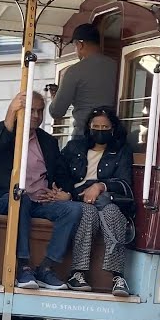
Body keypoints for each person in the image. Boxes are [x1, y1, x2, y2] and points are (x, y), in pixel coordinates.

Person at [0, 91, 82, 290]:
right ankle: (23, 266)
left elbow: (60, 175)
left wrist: (65, 194)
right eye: (32, 110)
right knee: (22, 200)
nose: (37, 116)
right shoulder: (0, 131)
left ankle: (46, 268)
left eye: (40, 111)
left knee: (73, 209)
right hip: (8, 199)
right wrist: (11, 110)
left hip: (41, 201)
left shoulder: (48, 141)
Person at [62, 107, 135, 296]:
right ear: (88, 127)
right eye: (96, 126)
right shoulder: (74, 147)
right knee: (88, 212)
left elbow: (124, 183)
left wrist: (100, 186)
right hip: (77, 199)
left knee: (112, 213)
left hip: (105, 200)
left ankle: (118, 276)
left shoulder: (122, 151)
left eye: (105, 127)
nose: (100, 130)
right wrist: (68, 194)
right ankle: (77, 273)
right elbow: (59, 173)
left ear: (113, 129)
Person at [48, 23, 118, 137]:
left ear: (80, 45)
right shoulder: (115, 65)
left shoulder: (74, 71)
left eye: (75, 46)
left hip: (84, 135)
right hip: (112, 135)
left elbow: (57, 112)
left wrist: (55, 98)